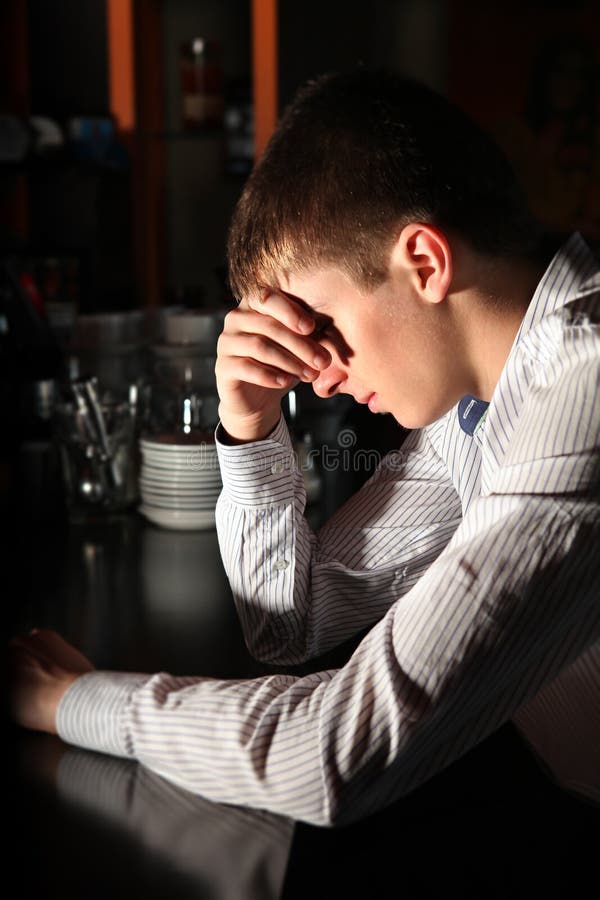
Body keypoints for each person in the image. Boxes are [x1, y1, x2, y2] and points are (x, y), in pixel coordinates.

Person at [9, 70, 599, 835]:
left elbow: (329, 754)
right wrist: (250, 423)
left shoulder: (584, 387)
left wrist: (67, 699)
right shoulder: (473, 408)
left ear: (423, 261)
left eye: (319, 324)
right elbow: (290, 624)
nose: (316, 375)